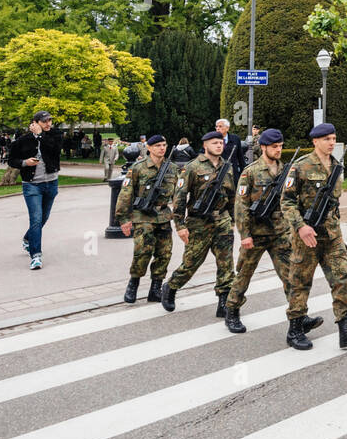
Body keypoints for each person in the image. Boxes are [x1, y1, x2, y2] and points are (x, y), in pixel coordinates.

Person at [282, 123, 347, 351]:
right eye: (327, 139)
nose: (332, 142)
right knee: (300, 282)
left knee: (342, 278)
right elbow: (287, 202)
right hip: (307, 236)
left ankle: (346, 330)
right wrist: (301, 227)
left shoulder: (337, 167)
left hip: (332, 235)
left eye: (333, 138)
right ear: (315, 141)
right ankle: (295, 329)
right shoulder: (301, 167)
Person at [225, 129, 297, 339]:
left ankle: (298, 315)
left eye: (281, 146)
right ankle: (232, 311)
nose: (278, 150)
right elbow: (241, 206)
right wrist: (244, 234)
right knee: (243, 276)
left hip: (280, 232)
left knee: (291, 276)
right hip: (255, 234)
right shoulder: (251, 172)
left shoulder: (287, 170)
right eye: (275, 146)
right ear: (263, 147)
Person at [162, 131, 236, 315]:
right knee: (191, 263)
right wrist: (180, 226)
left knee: (226, 264)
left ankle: (224, 303)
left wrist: (233, 220)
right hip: (199, 222)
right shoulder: (192, 167)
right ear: (205, 145)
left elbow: (232, 196)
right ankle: (171, 287)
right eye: (214, 143)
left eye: (220, 142)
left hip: (223, 221)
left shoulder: (227, 166)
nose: (219, 146)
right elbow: (179, 197)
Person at [115, 135, 178, 304]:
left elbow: (179, 194)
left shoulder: (172, 168)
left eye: (164, 145)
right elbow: (125, 194)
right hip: (143, 216)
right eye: (157, 145)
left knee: (164, 254)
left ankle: (155, 288)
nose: (162, 148)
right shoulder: (138, 168)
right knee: (142, 252)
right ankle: (133, 284)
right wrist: (123, 219)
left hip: (163, 216)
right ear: (149, 148)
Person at [8, 111, 62, 270]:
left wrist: (40, 136)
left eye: (50, 120)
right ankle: (36, 256)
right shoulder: (23, 141)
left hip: (51, 182)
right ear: (35, 122)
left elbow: (54, 150)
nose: (48, 124)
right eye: (44, 121)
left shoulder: (55, 135)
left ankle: (27, 238)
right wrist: (25, 163)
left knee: (44, 217)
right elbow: (12, 160)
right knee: (36, 219)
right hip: (32, 185)